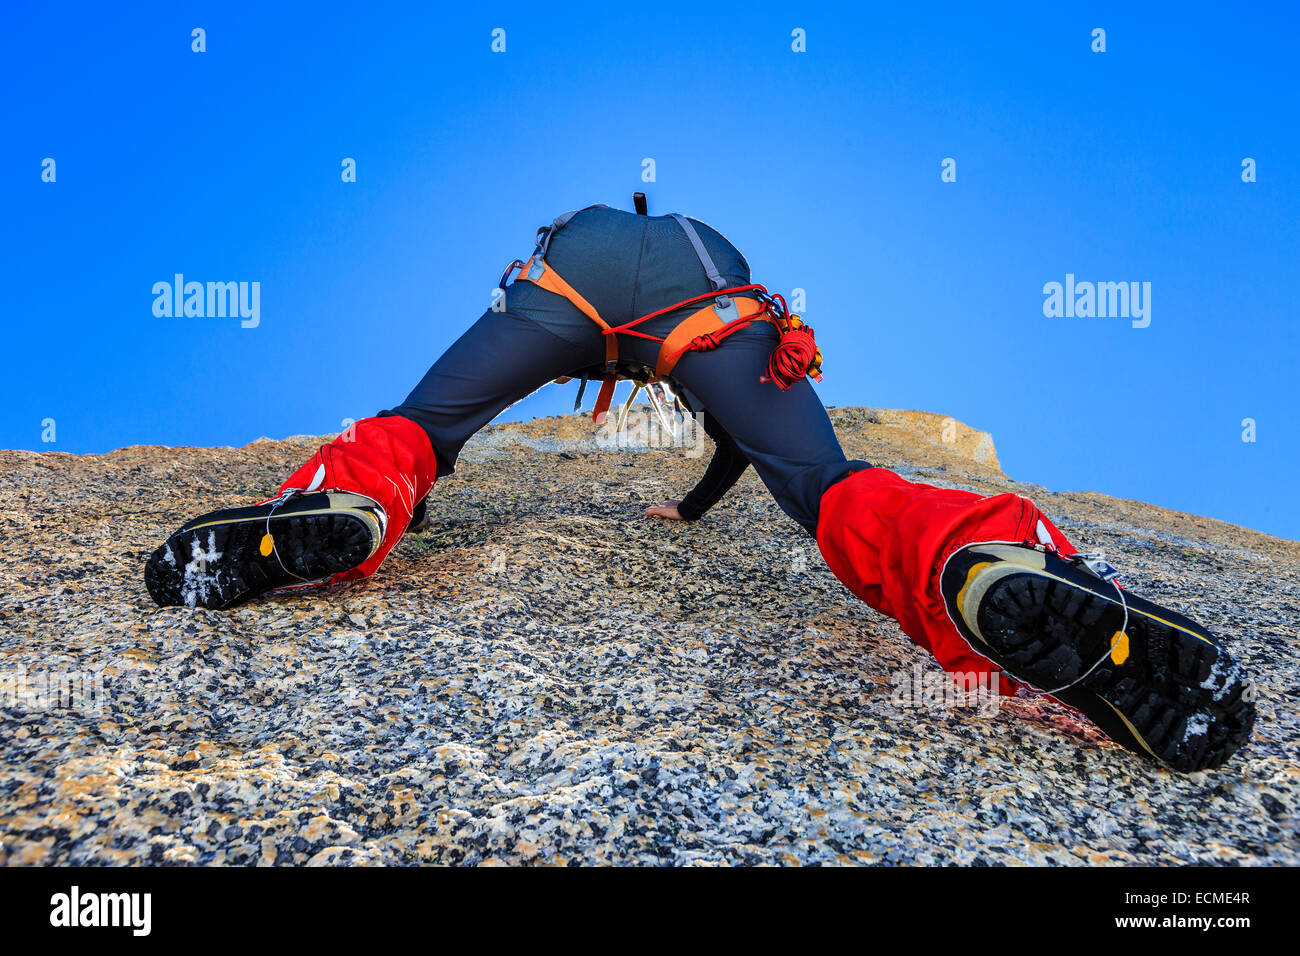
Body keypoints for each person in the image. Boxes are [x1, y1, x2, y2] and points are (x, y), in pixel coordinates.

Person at [145, 201, 1255, 772]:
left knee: (424, 424)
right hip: (715, 302)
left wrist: (675, 503)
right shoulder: (693, 235)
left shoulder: (579, 226)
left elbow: (492, 395)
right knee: (826, 482)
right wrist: (694, 504)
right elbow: (741, 437)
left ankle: (350, 504)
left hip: (560, 282)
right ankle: (974, 561)